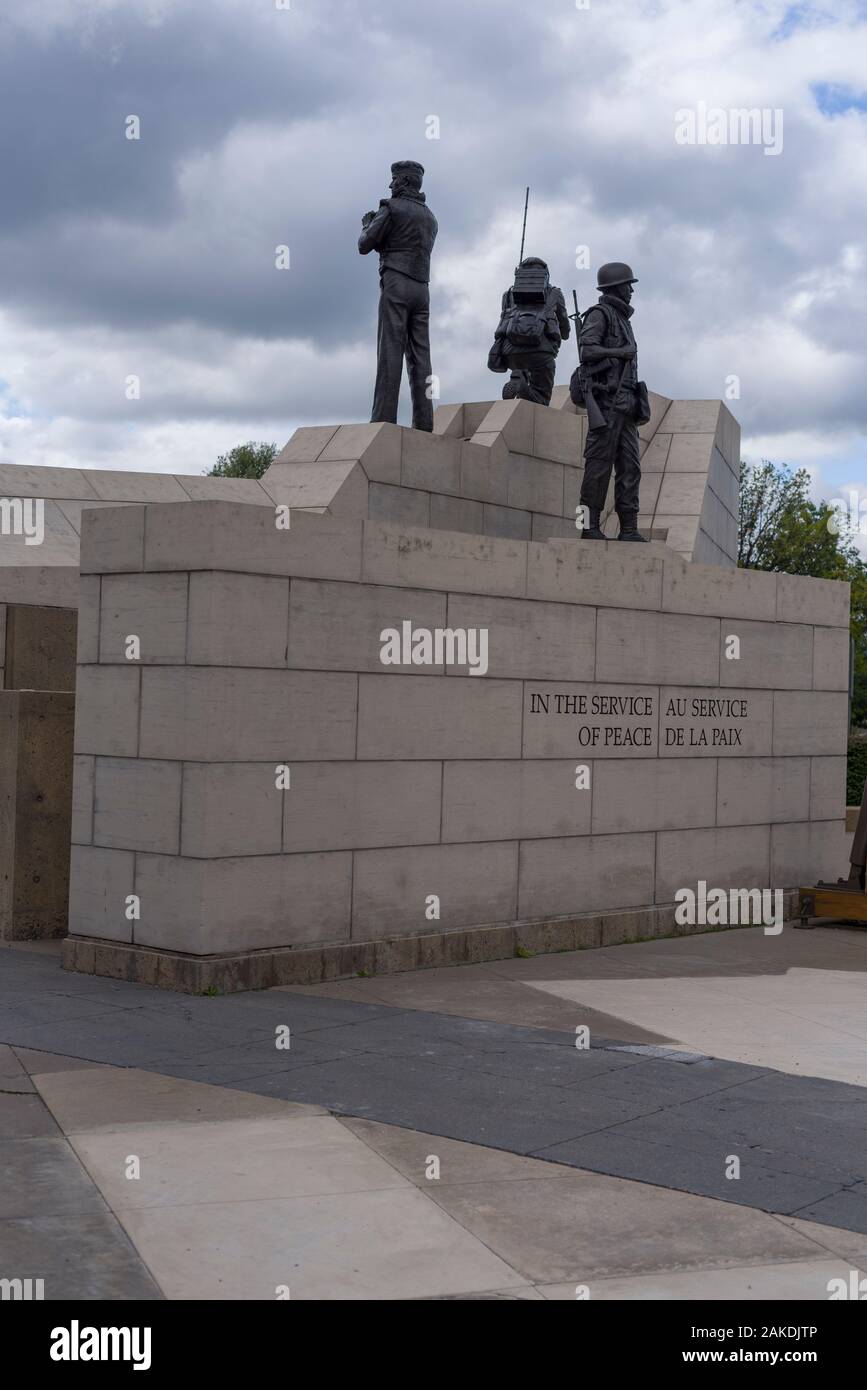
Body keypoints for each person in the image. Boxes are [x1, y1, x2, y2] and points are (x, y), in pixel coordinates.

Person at [358, 160, 438, 431]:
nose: (390, 185)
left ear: (403, 182)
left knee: (390, 351)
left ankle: (383, 419)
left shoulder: (390, 208)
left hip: (397, 282)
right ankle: (424, 422)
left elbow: (364, 245)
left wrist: (367, 224)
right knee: (421, 357)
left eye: (394, 180)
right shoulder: (430, 218)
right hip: (422, 289)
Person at [576, 262, 649, 541]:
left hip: (627, 406)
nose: (631, 290)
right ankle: (587, 526)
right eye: (628, 284)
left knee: (631, 468)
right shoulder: (600, 314)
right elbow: (588, 349)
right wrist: (622, 352)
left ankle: (629, 528)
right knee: (597, 468)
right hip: (606, 405)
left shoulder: (623, 319)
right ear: (615, 287)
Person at [488, 257, 570, 407]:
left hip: (509, 353)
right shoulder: (555, 294)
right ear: (545, 275)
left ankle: (518, 375)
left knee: (522, 362)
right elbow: (565, 331)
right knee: (542, 399)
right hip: (541, 354)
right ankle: (521, 386)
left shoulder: (508, 294)